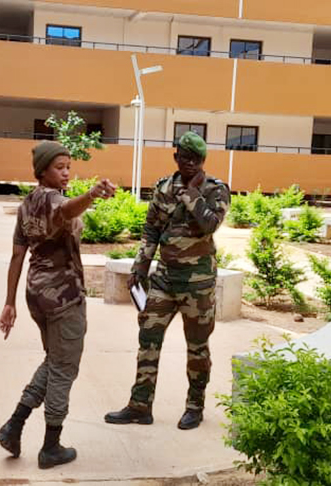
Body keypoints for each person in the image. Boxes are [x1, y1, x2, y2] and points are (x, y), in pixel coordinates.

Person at [0, 141, 116, 469]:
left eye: (68, 167)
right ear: (43, 171)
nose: (65, 172)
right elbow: (65, 210)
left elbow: (18, 254)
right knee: (64, 368)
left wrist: (10, 302)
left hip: (36, 295)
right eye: (59, 167)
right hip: (63, 298)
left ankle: (14, 425)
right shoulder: (53, 201)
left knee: (54, 361)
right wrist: (91, 195)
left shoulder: (27, 203)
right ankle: (51, 446)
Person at [104, 131, 230, 430]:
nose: (190, 164)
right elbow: (151, 230)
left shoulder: (216, 190)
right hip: (164, 281)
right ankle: (140, 406)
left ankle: (194, 406)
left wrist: (190, 193)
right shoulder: (163, 188)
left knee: (197, 347)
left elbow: (209, 224)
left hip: (198, 285)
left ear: (203, 161)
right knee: (148, 338)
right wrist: (140, 265)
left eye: (196, 160)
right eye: (184, 158)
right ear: (175, 157)